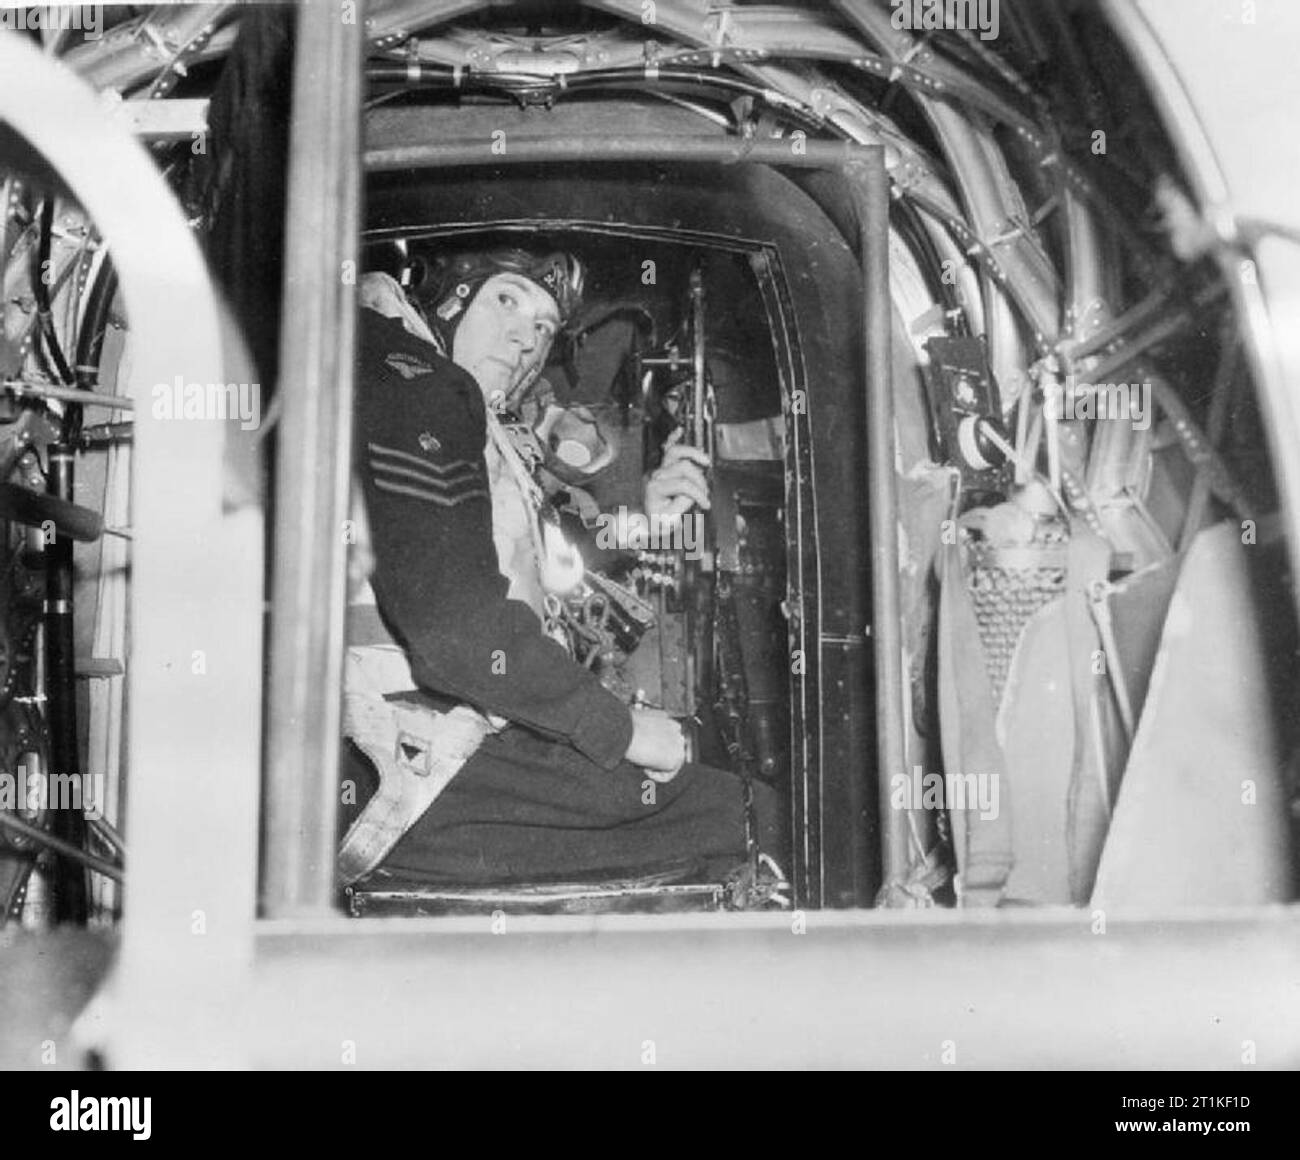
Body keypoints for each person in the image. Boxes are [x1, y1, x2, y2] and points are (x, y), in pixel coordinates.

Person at [339, 247, 785, 896]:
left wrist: (642, 519)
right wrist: (622, 730)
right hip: (415, 769)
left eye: (545, 326)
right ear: (450, 298)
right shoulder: (422, 388)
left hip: (406, 744)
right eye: (507, 300)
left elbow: (546, 559)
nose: (526, 337)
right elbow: (455, 633)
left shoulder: (402, 381)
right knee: (755, 820)